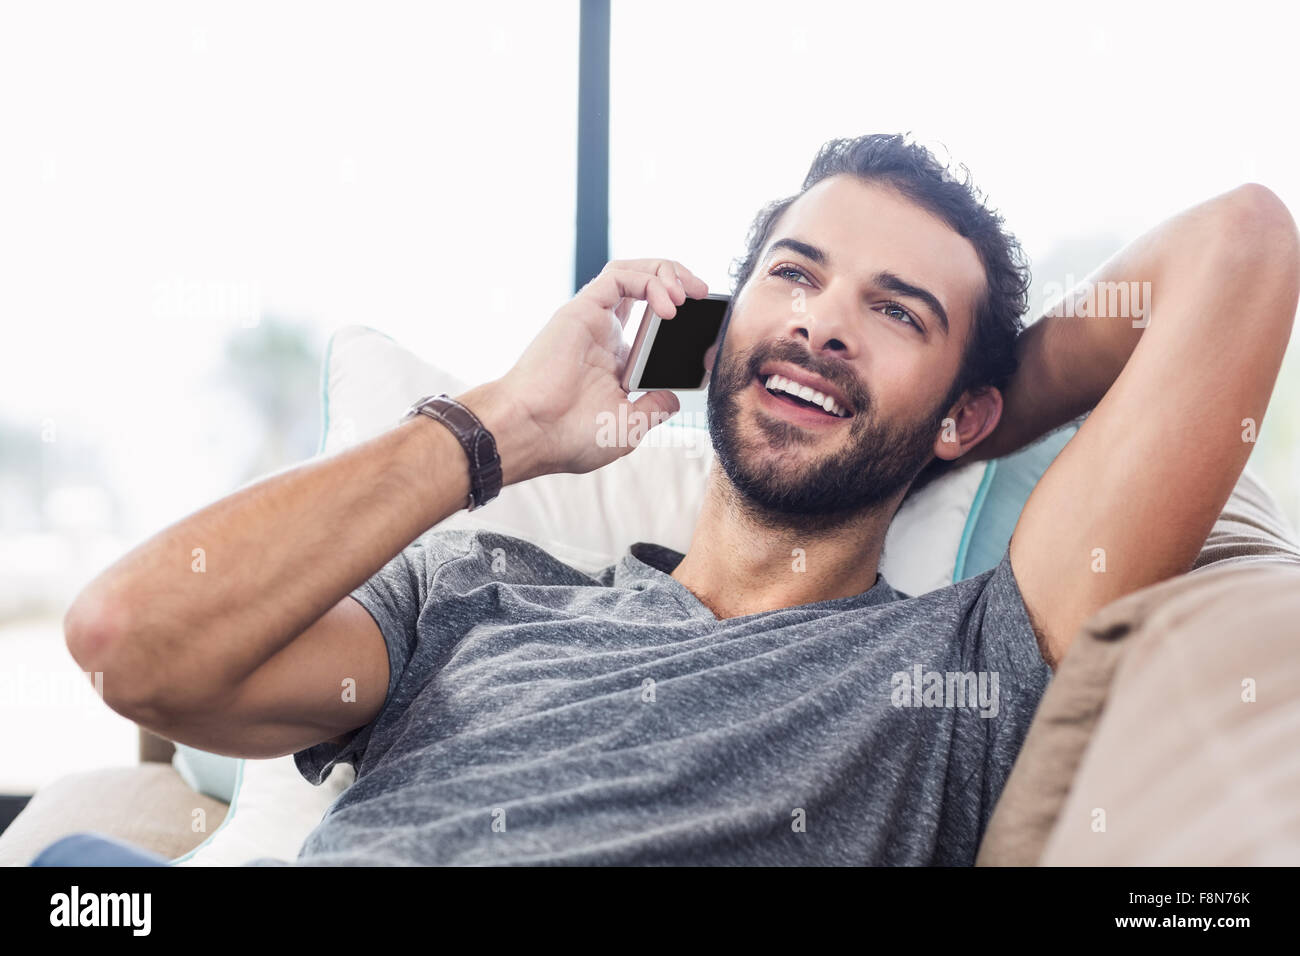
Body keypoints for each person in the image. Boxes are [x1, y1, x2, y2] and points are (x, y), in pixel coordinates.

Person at [59, 133, 1300, 866]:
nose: (818, 320)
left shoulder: (961, 663)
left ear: (971, 411)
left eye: (894, 308)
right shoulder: (473, 590)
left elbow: (1241, 243)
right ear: (712, 334)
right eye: (794, 278)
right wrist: (501, 429)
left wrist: (959, 414)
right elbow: (133, 640)